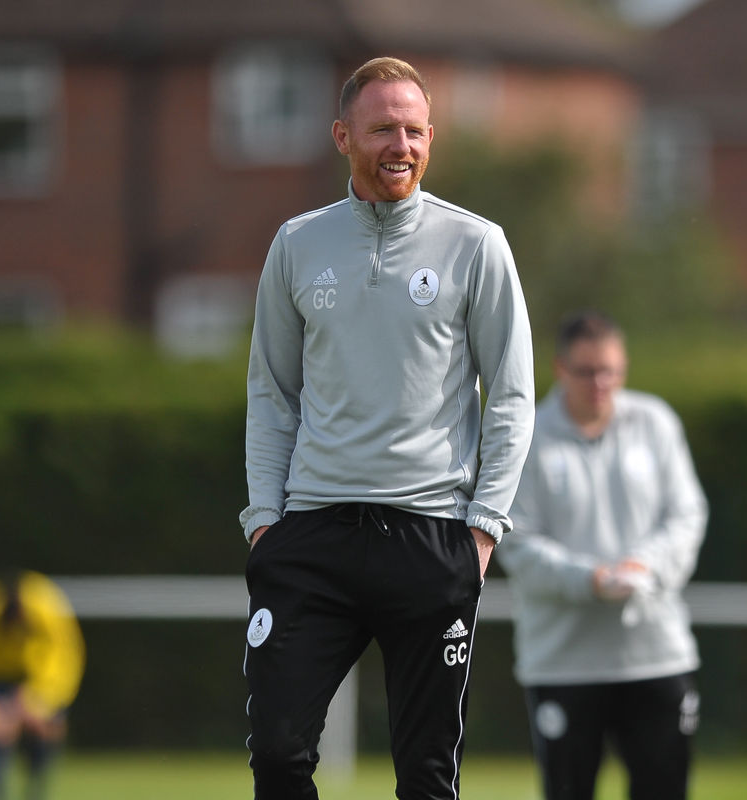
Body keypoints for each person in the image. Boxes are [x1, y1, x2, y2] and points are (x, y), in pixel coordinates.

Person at [240, 56, 534, 800]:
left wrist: (483, 530)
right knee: (277, 755)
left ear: (431, 139)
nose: (399, 145)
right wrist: (265, 522)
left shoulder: (476, 245)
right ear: (343, 136)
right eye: (381, 130)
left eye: (412, 130)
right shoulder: (297, 244)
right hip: (312, 535)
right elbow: (272, 392)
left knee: (427, 780)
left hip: (432, 538)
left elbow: (512, 395)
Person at [495, 310, 708, 800]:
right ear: (560, 368)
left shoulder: (655, 422)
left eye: (611, 370)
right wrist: (588, 579)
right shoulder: (526, 434)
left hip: (655, 653)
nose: (601, 382)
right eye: (588, 371)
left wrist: (644, 567)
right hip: (563, 660)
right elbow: (516, 538)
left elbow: (687, 514)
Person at [0, 570, 85, 800]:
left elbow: (66, 659)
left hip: (38, 679)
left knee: (48, 727)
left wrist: (41, 699)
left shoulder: (46, 604)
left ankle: (35, 792)